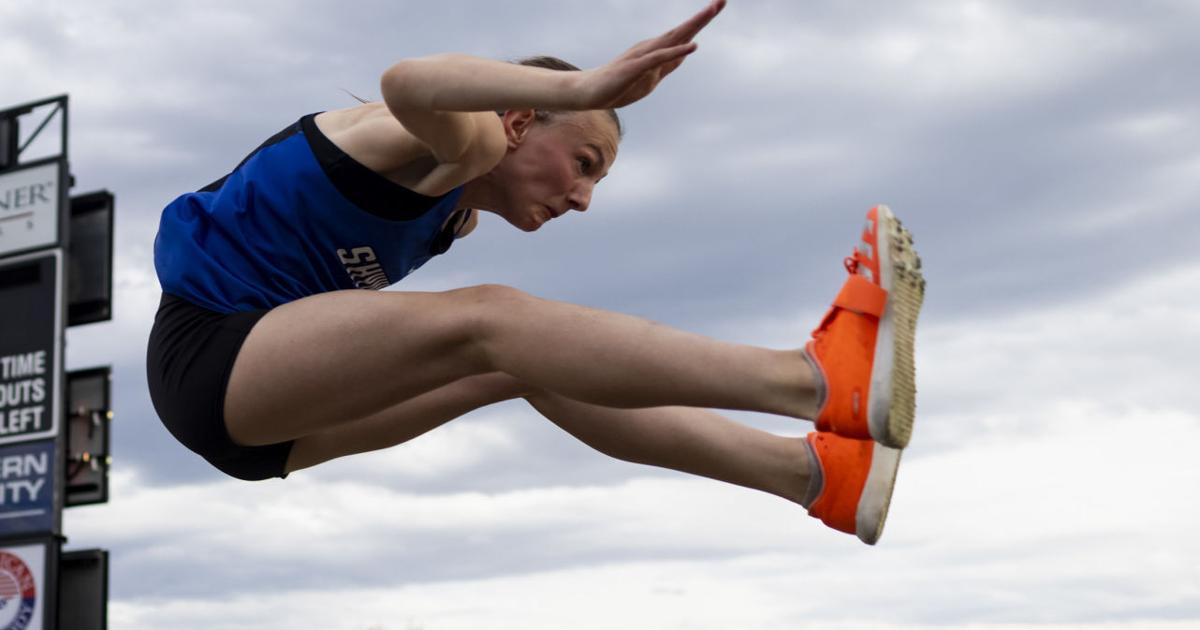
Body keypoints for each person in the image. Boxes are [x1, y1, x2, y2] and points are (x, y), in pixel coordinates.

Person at [146, 0, 925, 545]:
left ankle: (812, 477)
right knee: (491, 318)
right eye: (583, 164)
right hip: (211, 360)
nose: (582, 198)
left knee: (522, 363)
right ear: (519, 121)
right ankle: (814, 381)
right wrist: (580, 88)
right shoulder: (457, 140)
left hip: (272, 422)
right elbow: (407, 80)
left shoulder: (451, 207)